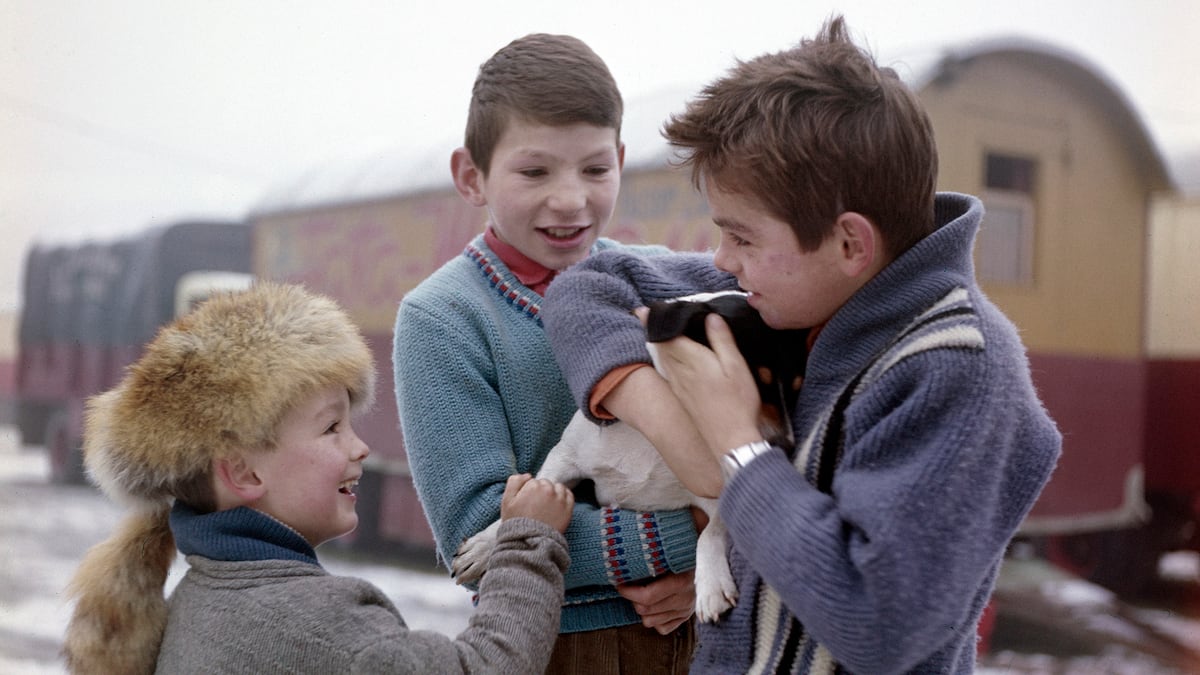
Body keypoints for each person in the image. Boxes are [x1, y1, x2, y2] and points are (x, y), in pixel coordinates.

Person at [541, 15, 1062, 674]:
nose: (720, 261)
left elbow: (875, 620)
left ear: (849, 243)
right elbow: (589, 286)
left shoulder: (958, 369)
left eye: (743, 236)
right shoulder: (797, 294)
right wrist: (674, 423)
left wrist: (736, 441)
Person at [63, 282, 574, 675]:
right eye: (331, 427)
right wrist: (528, 543)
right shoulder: (320, 625)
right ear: (242, 470)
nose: (360, 447)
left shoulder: (197, 596)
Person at [393, 33, 701, 673]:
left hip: (704, 631)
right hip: (555, 647)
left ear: (621, 158)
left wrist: (722, 565)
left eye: (595, 169)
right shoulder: (443, 318)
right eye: (535, 172)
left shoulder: (664, 278)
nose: (571, 199)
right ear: (471, 176)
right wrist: (700, 534)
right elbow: (481, 537)